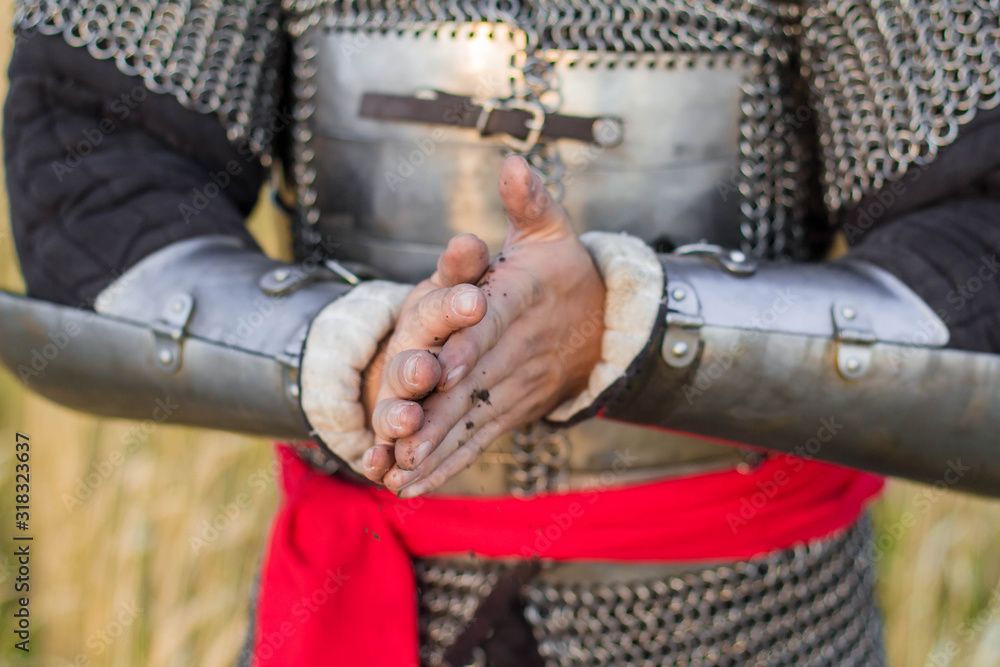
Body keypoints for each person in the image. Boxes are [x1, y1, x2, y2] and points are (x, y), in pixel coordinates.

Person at [1, 0, 998, 665]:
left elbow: (973, 236)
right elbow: (97, 172)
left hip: (747, 609)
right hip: (366, 589)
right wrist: (352, 344)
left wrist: (634, 320)